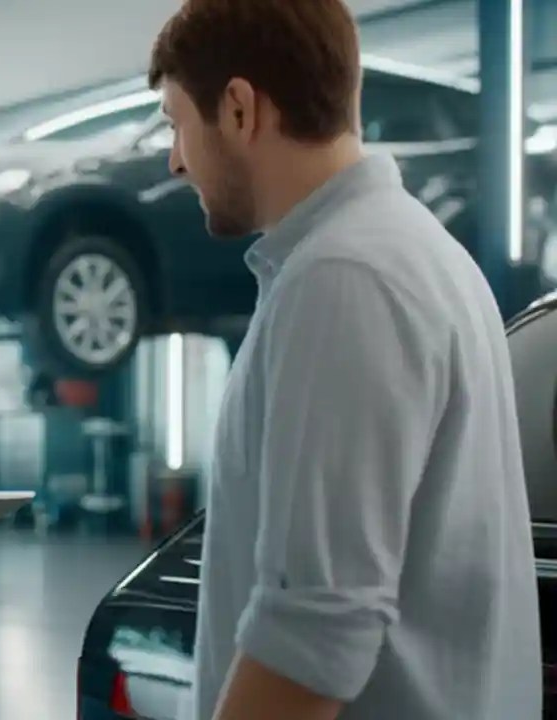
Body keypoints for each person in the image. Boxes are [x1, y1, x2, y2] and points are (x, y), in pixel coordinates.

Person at [147, 1, 542, 719]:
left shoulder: (343, 279)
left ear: (238, 108)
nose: (175, 159)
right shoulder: (414, 254)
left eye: (176, 123)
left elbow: (311, 635)